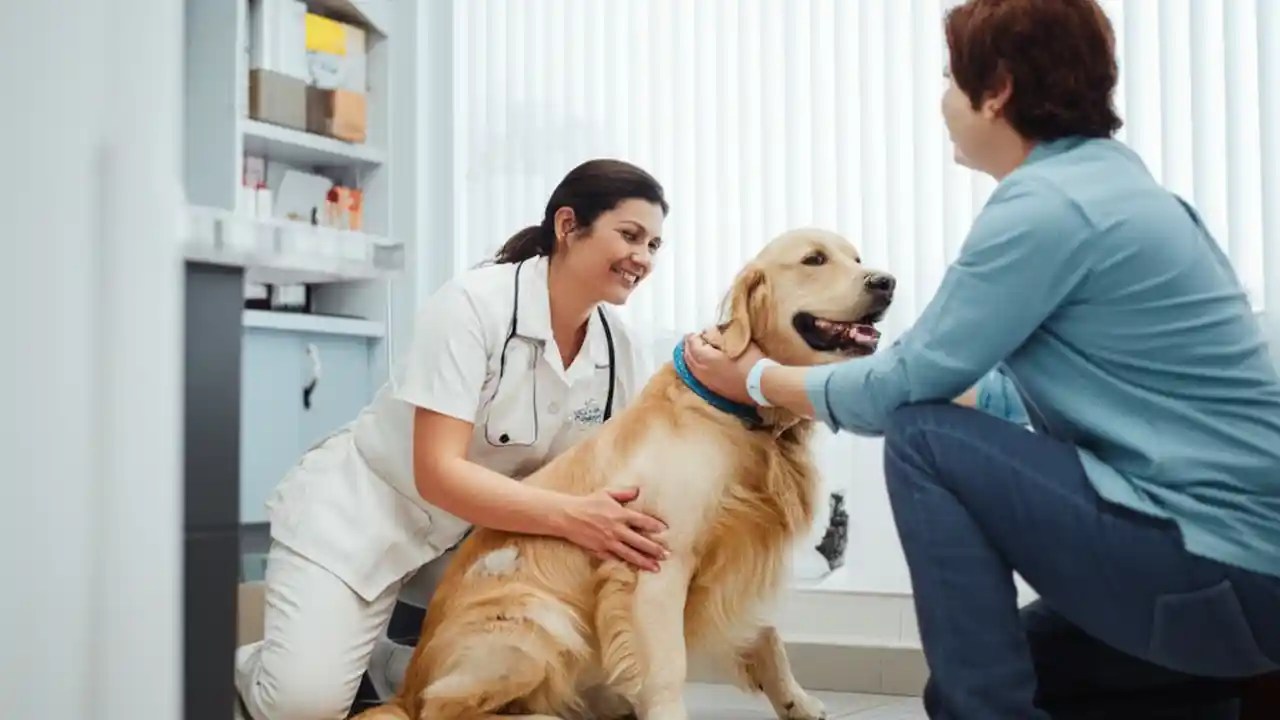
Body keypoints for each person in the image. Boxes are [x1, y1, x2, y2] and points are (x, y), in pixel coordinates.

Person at [682, 1, 1280, 718]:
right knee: (996, 679)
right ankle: (1209, 694)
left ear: (995, 89)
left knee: (922, 440)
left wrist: (751, 378)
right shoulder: (1120, 191)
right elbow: (1036, 387)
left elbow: (900, 387)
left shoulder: (1048, 207)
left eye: (949, 78)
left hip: (1218, 571)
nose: (942, 99)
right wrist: (950, 393)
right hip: (1241, 578)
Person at [235, 159, 672, 719]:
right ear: (568, 226)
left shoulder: (623, 350)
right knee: (302, 707)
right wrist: (574, 517)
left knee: (562, 685)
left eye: (655, 245)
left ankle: (384, 662)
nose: (643, 258)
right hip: (363, 521)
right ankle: (260, 661)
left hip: (473, 540)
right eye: (630, 235)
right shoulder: (473, 305)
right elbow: (437, 472)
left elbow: (622, 473)